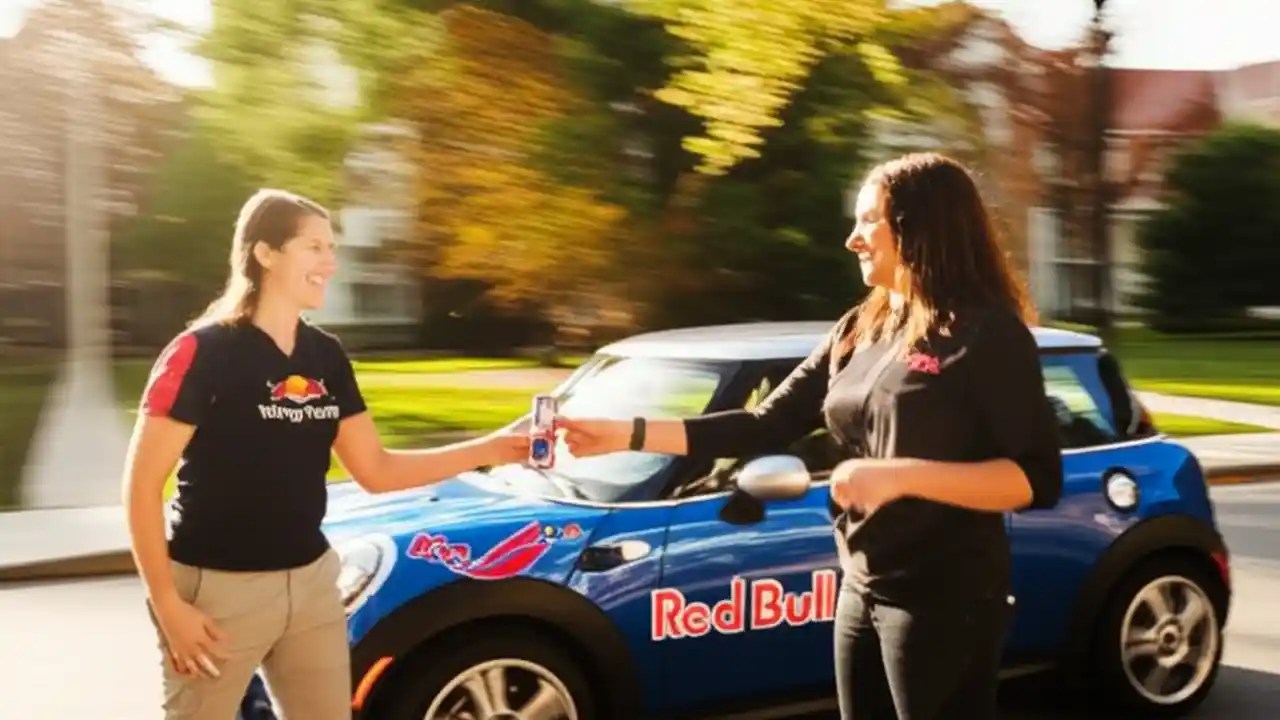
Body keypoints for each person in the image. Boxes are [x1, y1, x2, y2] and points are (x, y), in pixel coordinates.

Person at [558, 152, 1063, 720]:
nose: (852, 239)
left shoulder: (988, 334)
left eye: (868, 220)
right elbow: (765, 423)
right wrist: (623, 434)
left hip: (945, 598)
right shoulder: (860, 328)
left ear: (918, 226)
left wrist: (899, 477)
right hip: (861, 583)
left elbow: (1034, 479)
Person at [122, 188, 530, 720]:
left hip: (312, 582)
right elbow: (141, 486)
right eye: (314, 247)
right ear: (265, 253)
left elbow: (376, 470)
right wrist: (167, 605)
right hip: (218, 590)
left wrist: (494, 447)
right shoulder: (202, 352)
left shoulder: (325, 356)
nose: (329, 263)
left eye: (331, 249)